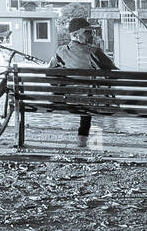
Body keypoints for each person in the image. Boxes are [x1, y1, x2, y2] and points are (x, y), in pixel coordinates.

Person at [48, 17, 115, 145]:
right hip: (90, 101)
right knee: (88, 97)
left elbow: (50, 73)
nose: (91, 35)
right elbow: (115, 73)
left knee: (85, 95)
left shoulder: (60, 51)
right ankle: (82, 139)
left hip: (66, 100)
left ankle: (82, 140)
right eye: (87, 32)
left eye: (91, 32)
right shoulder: (94, 51)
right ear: (75, 34)